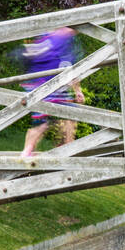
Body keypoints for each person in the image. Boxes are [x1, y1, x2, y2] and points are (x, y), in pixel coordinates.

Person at [17, 27, 85, 157]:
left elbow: (70, 67)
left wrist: (77, 90)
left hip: (47, 87)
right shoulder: (58, 40)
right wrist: (77, 91)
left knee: (59, 118)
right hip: (47, 87)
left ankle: (29, 151)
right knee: (51, 121)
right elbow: (68, 68)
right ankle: (29, 152)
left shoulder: (55, 39)